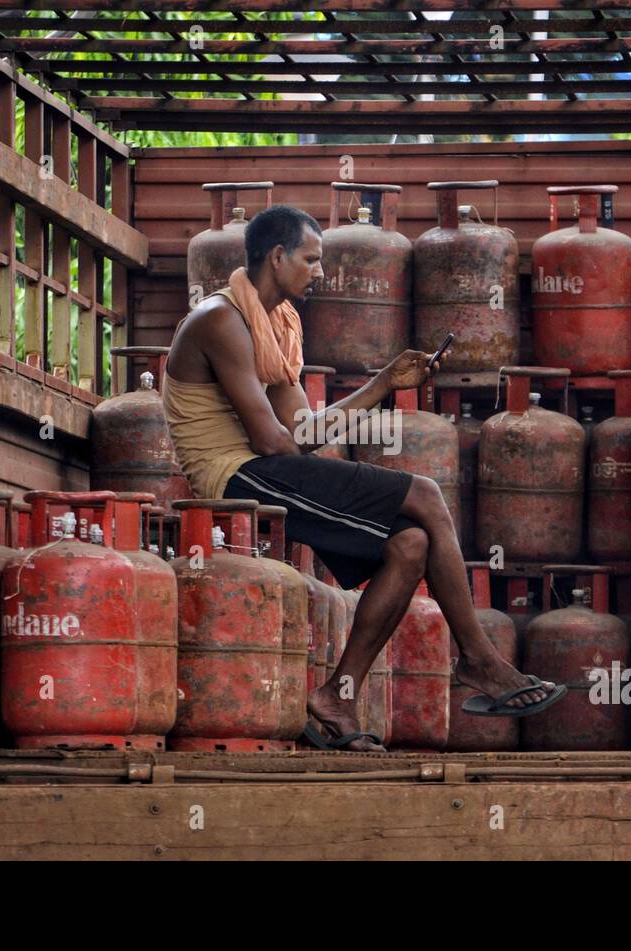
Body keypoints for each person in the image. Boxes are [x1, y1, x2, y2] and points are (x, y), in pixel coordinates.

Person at [163, 204, 565, 752]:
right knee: (423, 493)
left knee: (410, 544)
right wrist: (373, 392)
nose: (321, 272)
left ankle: (336, 696)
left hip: (265, 469)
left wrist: (384, 383)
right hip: (236, 476)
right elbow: (274, 441)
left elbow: (302, 429)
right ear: (277, 258)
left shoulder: (276, 324)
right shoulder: (220, 319)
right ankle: (478, 659)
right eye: (311, 259)